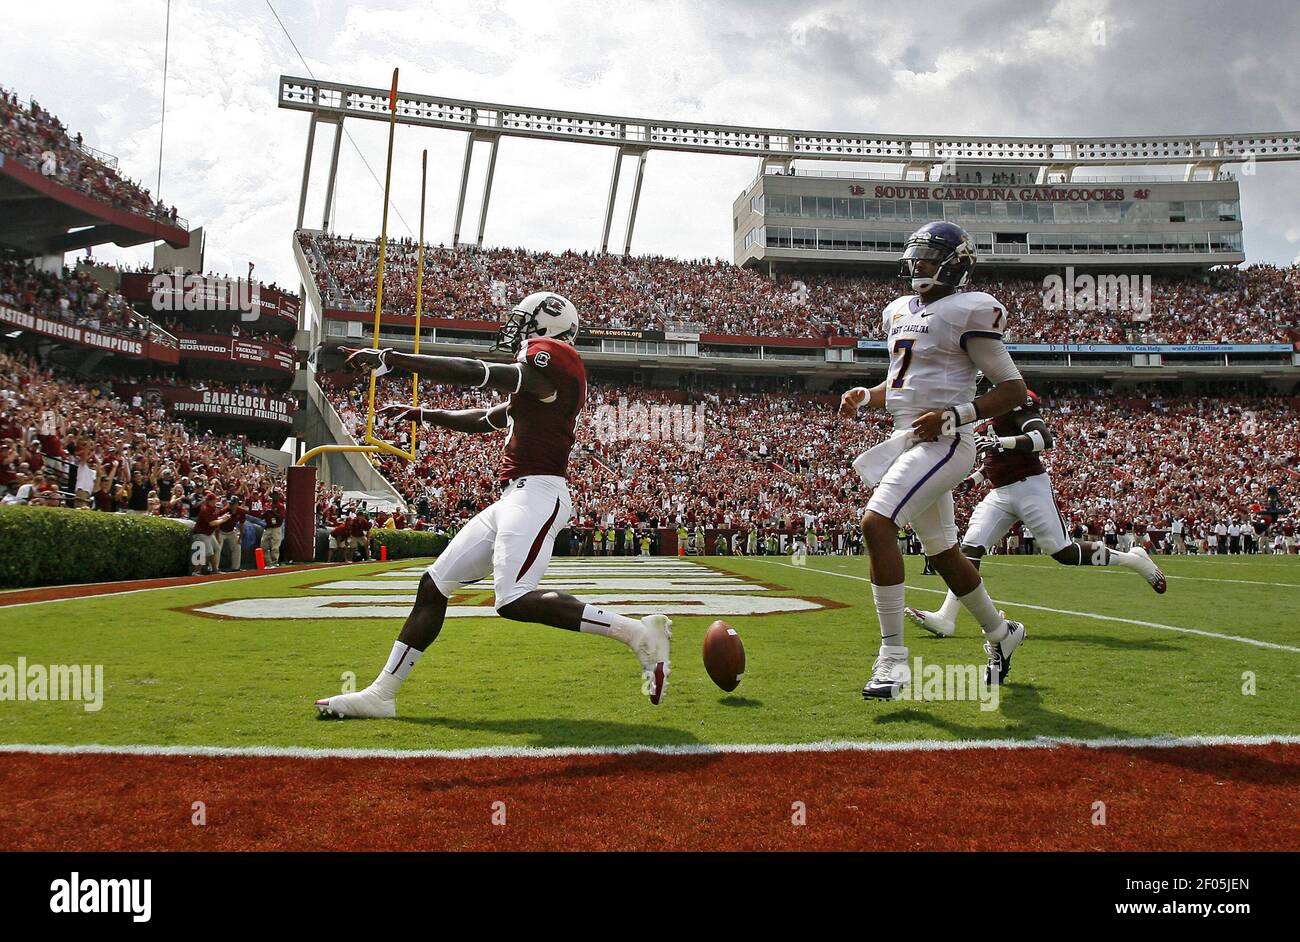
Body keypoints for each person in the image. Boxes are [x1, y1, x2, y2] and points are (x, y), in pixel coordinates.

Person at [316, 292, 672, 720]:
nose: (514, 328)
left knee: (513, 599)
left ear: (547, 326)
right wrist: (423, 413)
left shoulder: (554, 356)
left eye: (523, 320)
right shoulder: (538, 380)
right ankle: (382, 694)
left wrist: (394, 359)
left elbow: (475, 373)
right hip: (514, 497)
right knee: (434, 585)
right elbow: (485, 418)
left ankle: (637, 634)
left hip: (539, 493)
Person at [840, 221, 1028, 699]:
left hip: (946, 443)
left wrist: (955, 414)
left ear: (955, 263)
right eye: (916, 255)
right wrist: (868, 396)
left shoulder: (968, 311)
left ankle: (893, 660)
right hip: (912, 439)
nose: (918, 264)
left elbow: (1013, 390)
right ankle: (1002, 633)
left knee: (876, 522)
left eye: (929, 256)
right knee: (944, 553)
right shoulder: (899, 311)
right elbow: (903, 386)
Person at [905, 386, 1166, 638]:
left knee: (1064, 552)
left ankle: (1132, 559)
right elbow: (993, 461)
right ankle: (947, 618)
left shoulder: (1015, 400)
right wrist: (973, 480)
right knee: (970, 548)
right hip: (1000, 492)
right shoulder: (979, 414)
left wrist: (1000, 442)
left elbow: (1042, 438)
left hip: (1030, 487)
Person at [261, 489, 285, 567]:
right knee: (263, 545)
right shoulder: (268, 504)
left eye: (275, 495)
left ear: (278, 496)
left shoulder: (280, 506)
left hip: (276, 528)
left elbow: (281, 517)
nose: (274, 496)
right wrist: (265, 512)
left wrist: (272, 512)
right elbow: (261, 516)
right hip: (268, 528)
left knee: (275, 547)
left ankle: (275, 562)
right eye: (273, 495)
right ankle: (268, 562)